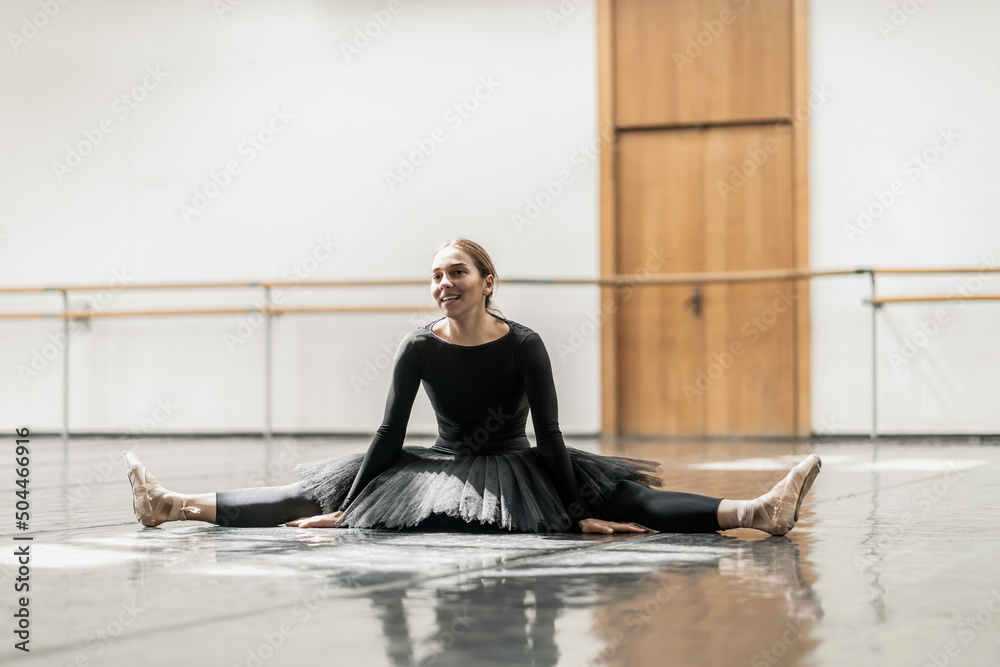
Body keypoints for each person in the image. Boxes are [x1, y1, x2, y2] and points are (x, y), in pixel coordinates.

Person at [122, 239, 821, 536]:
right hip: (435, 463)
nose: (443, 284)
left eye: (457, 271)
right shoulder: (418, 345)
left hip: (516, 460)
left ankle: (755, 511)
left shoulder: (524, 343)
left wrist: (573, 506)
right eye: (435, 275)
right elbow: (389, 436)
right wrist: (355, 505)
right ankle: (171, 504)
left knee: (622, 496)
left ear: (488, 281)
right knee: (316, 495)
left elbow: (549, 436)